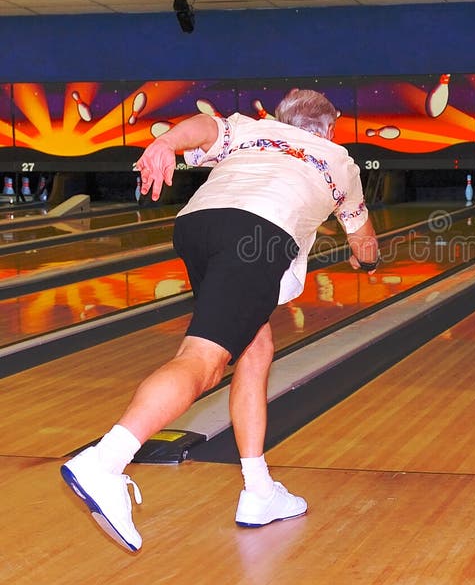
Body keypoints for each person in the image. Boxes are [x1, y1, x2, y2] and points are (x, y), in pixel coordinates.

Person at [61, 89, 378, 553]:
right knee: (204, 359)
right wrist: (367, 263)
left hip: (199, 226)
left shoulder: (253, 129)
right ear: (330, 128)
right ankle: (105, 463)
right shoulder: (341, 162)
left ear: (279, 118)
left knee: (256, 345)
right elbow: (363, 240)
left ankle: (258, 489)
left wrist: (165, 144)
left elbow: (202, 126)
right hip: (258, 233)